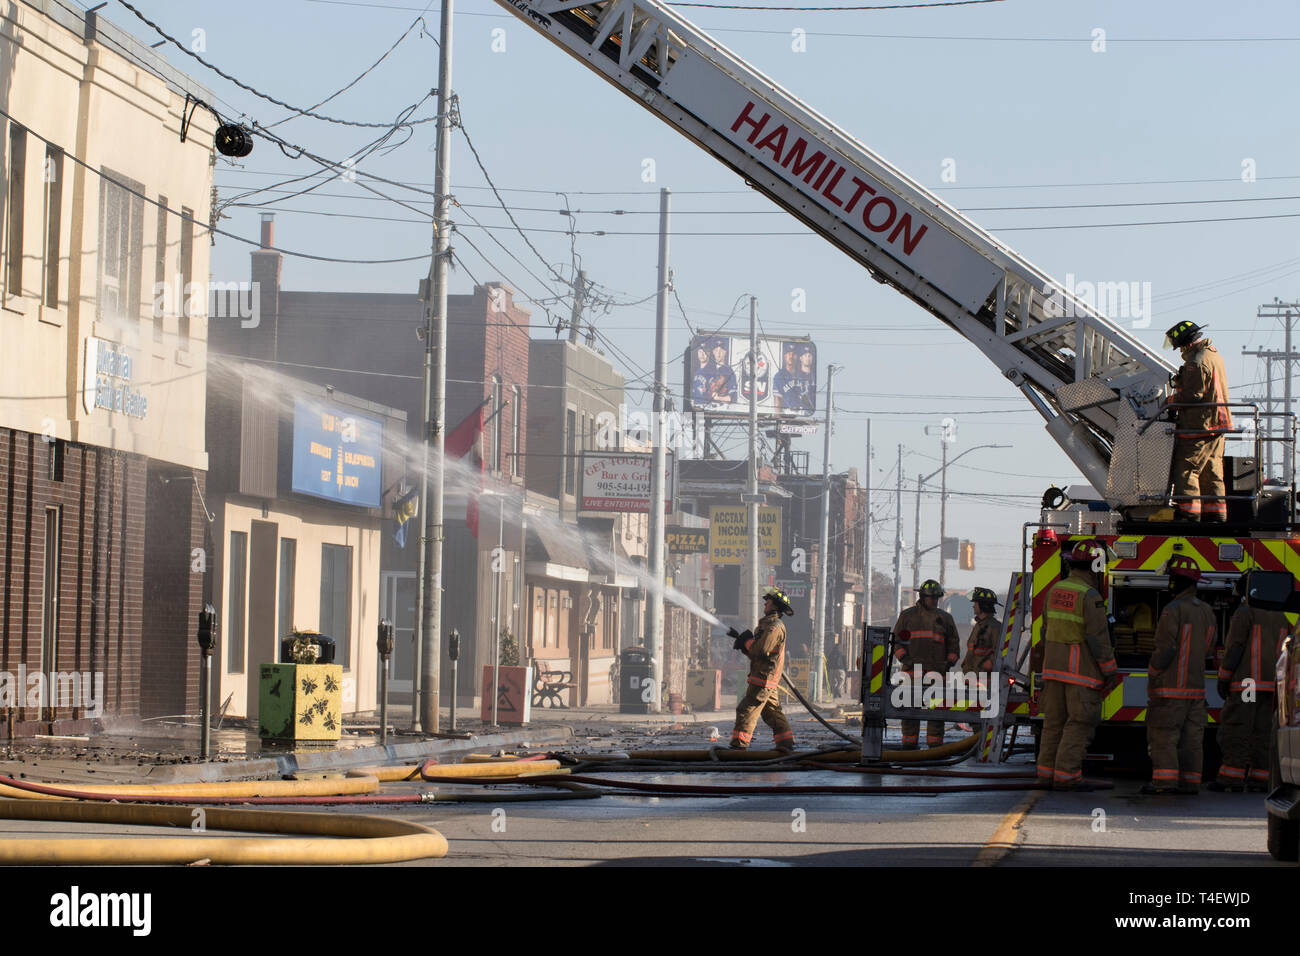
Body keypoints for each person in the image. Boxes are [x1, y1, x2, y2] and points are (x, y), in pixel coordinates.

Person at [1036, 541, 1120, 791]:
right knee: (1079, 723)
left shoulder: (1054, 590)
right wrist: (1110, 671)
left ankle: (1045, 774)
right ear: (1094, 567)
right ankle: (1066, 775)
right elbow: (1098, 638)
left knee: (1053, 723)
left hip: (1052, 672)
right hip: (1080, 675)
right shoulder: (1089, 596)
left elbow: (1043, 630)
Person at [1210, 571, 1290, 792]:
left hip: (1248, 684)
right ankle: (1261, 778)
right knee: (1263, 732)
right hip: (1272, 685)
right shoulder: (1282, 616)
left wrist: (1223, 678)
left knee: (1238, 728)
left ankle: (1231, 777)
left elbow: (1235, 648)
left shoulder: (1245, 613)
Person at [1142, 555, 1215, 795]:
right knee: (1192, 740)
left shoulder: (1172, 610)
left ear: (1175, 583)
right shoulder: (1207, 612)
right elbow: (1208, 649)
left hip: (1170, 690)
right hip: (1196, 690)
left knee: (1164, 736)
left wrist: (1153, 673)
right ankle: (1191, 782)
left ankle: (1165, 782)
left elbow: (1166, 649)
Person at [1164, 321, 1232, 522]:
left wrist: (1171, 401)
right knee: (1211, 471)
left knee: (1186, 469)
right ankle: (1216, 515)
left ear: (1185, 344)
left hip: (1200, 424)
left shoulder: (1195, 362)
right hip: (1217, 423)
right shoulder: (1213, 355)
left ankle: (1189, 515)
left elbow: (1194, 394)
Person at [892, 579, 960, 749]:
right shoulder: (907, 616)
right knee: (909, 713)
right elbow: (896, 642)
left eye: (937, 598)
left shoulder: (945, 619)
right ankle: (909, 746)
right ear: (922, 597)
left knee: (936, 715)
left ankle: (934, 748)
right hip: (910, 675)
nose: (934, 601)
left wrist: (949, 663)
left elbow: (954, 644)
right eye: (931, 597)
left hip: (937, 674)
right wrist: (904, 659)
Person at [728, 588, 796, 753]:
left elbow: (761, 650)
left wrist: (746, 642)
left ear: (774, 605)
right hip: (766, 677)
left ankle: (739, 745)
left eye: (768, 600)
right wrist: (743, 642)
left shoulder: (774, 627)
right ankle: (786, 743)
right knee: (771, 712)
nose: (765, 603)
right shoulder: (768, 625)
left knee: (746, 709)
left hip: (763, 678)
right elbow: (758, 653)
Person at [961, 587, 1003, 675]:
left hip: (985, 678)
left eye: (976, 603)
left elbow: (1000, 651)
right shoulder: (979, 625)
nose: (973, 606)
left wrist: (989, 663)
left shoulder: (995, 627)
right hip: (973, 675)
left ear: (983, 605)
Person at [707, 338, 737, 404]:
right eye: (716, 350)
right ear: (713, 352)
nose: (718, 353)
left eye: (721, 350)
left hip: (723, 410)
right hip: (705, 409)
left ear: (725, 352)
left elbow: (733, 398)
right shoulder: (708, 370)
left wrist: (718, 398)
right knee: (690, 414)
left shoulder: (729, 371)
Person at [773, 346, 799, 412]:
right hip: (787, 411)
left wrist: (810, 408)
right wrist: (778, 417)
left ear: (797, 357)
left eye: (793, 354)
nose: (791, 356)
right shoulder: (779, 376)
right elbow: (777, 399)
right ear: (785, 356)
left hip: (802, 412)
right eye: (789, 354)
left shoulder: (801, 375)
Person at [690, 340, 715, 406]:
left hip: (706, 408)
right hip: (695, 407)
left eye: (704, 352)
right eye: (700, 351)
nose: (702, 354)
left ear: (709, 353)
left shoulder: (712, 371)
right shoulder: (696, 372)